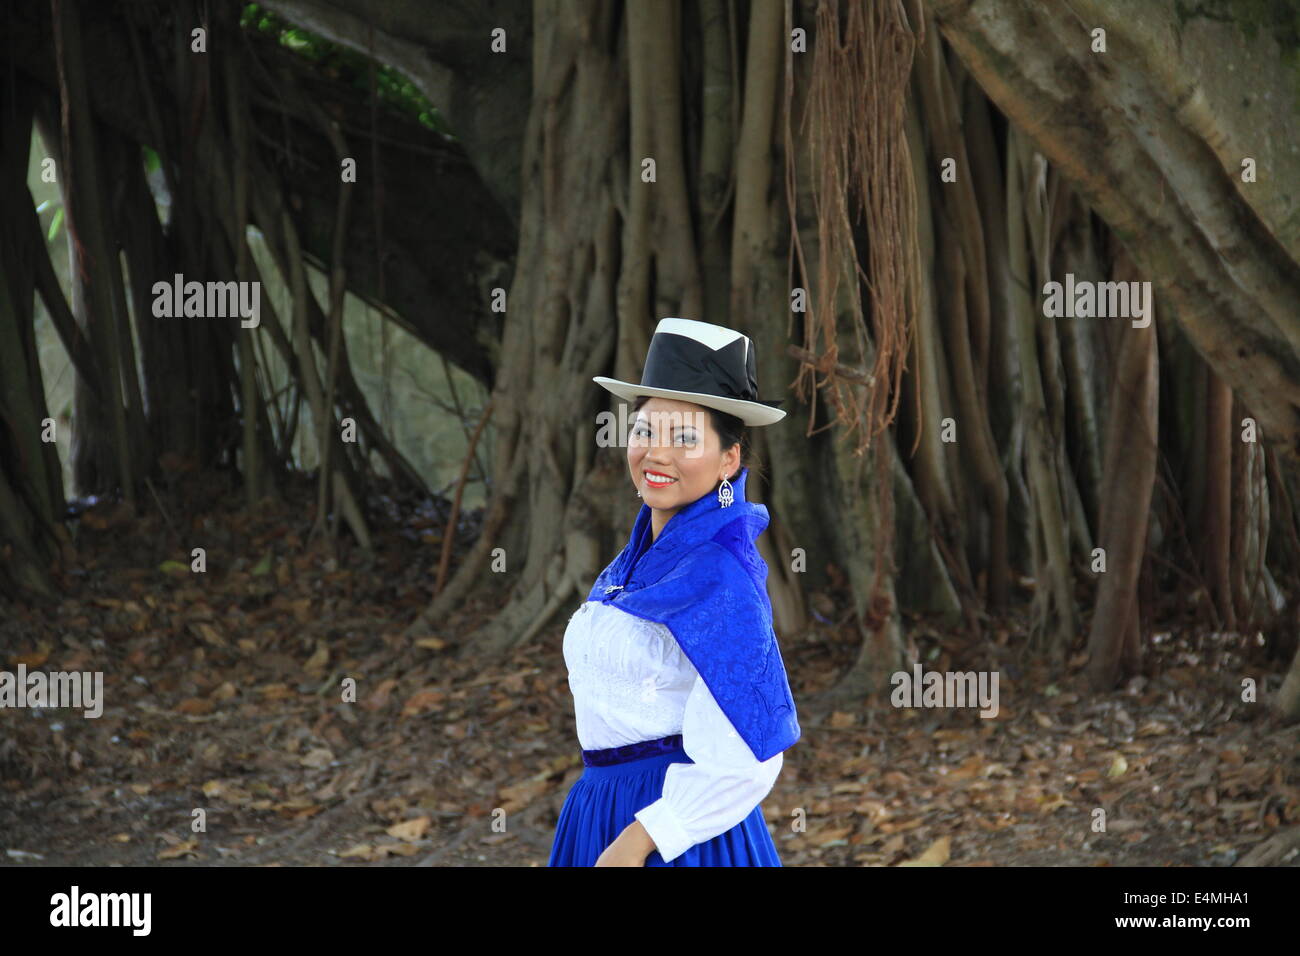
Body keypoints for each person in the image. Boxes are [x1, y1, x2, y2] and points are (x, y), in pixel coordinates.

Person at [548, 317, 801, 867]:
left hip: (671, 835)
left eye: (685, 438)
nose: (656, 453)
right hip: (602, 808)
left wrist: (639, 841)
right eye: (644, 431)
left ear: (729, 459)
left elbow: (752, 755)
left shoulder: (717, 575)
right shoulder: (638, 561)